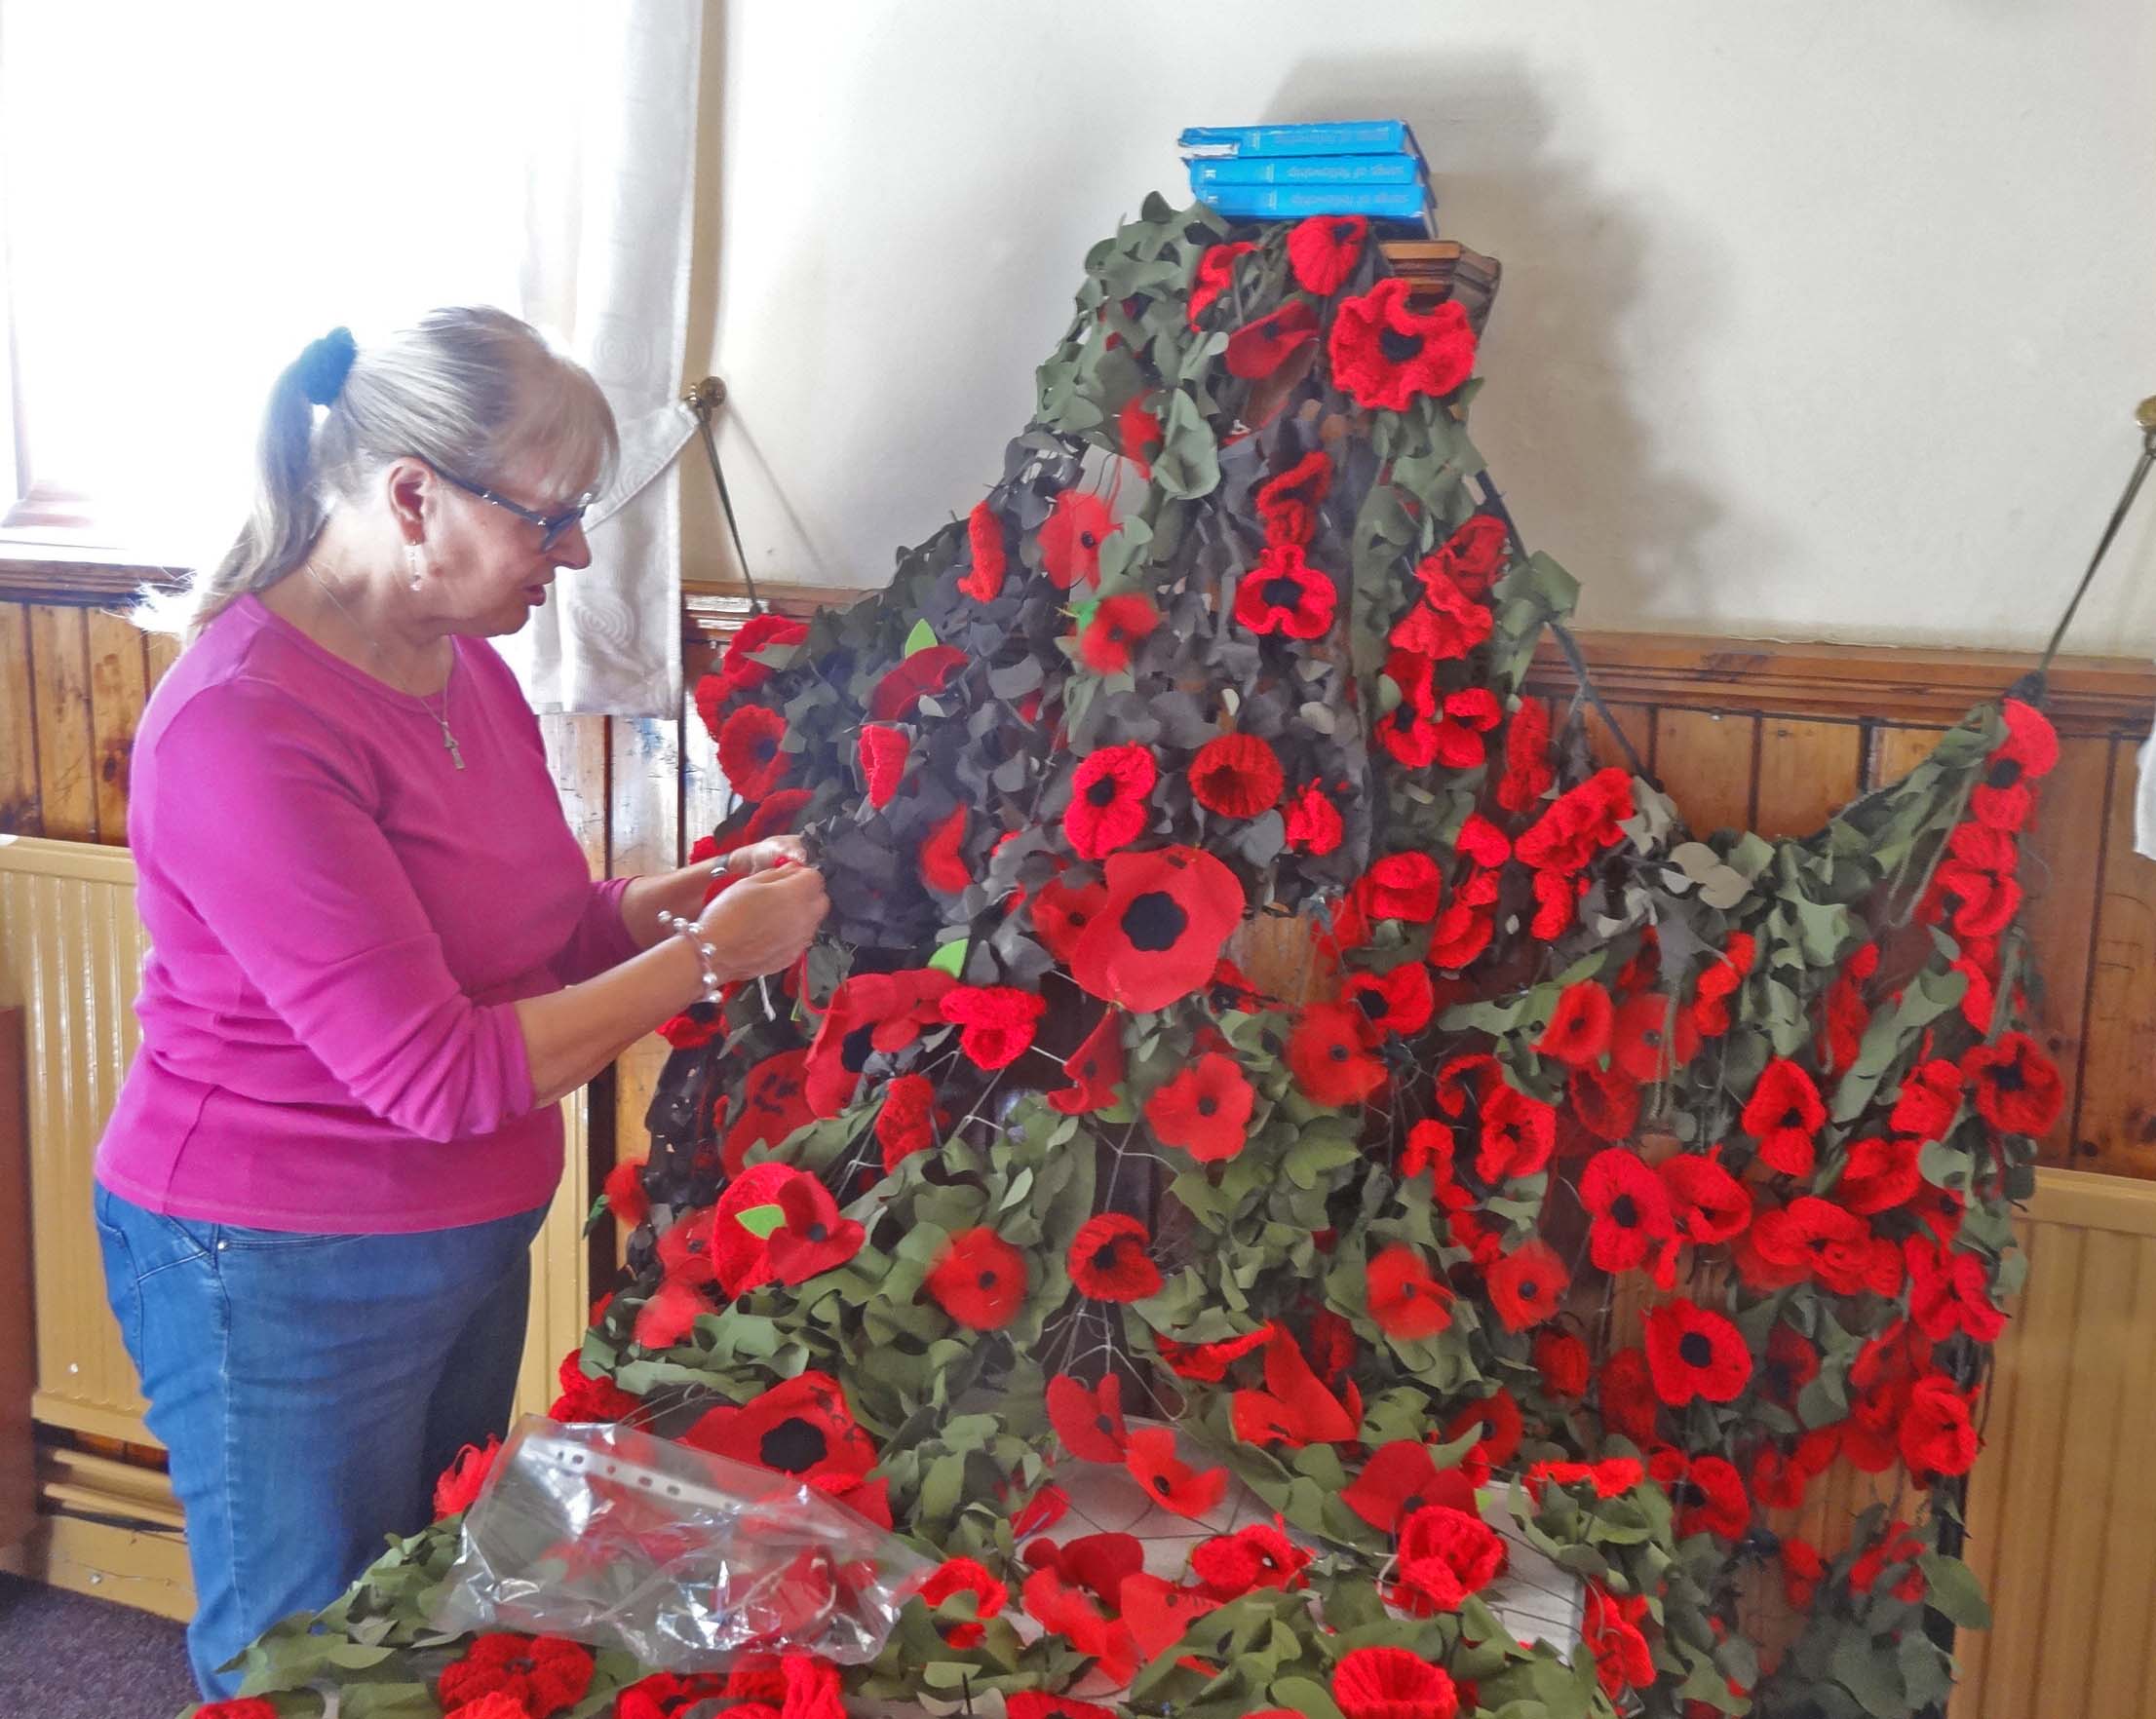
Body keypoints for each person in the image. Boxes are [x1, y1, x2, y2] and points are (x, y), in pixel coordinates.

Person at [89, 309, 829, 1700]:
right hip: (277, 1265)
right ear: (414, 496)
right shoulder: (245, 725)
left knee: (421, 1621)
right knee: (301, 1659)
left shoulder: (462, 664)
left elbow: (541, 933)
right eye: (551, 522)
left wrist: (677, 899)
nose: (579, 556)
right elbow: (435, 1071)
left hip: (456, 1241)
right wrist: (715, 957)